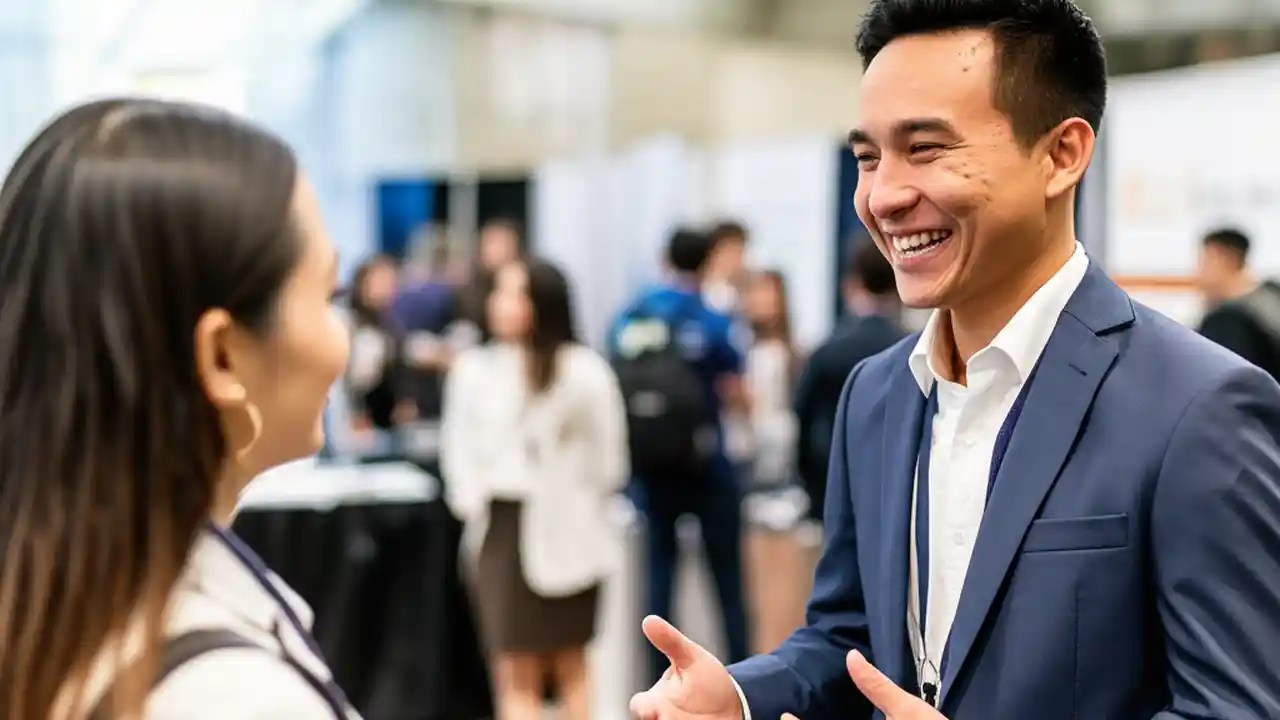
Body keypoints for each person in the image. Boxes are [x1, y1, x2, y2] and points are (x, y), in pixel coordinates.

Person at [630, 1, 1280, 719]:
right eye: (868, 158)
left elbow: (1236, 708)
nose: (883, 197)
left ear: (1061, 155)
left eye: (927, 149)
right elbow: (850, 637)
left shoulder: (1197, 407)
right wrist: (743, 695)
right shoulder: (876, 394)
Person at [0, 99, 356, 719]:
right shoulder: (234, 699)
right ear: (221, 356)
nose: (340, 340)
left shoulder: (51, 609)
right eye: (330, 295)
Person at [442, 258, 628, 720]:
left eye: (516, 294)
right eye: (499, 293)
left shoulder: (583, 371)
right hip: (501, 528)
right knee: (513, 669)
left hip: (572, 532)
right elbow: (457, 450)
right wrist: (471, 500)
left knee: (572, 664)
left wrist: (576, 500)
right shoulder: (475, 369)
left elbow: (610, 462)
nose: (502, 305)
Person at [610, 229, 752, 683]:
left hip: (651, 466)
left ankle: (659, 681)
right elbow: (736, 382)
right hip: (706, 462)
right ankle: (742, 676)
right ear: (706, 261)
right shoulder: (710, 317)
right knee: (726, 579)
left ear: (664, 258)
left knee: (658, 580)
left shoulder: (634, 313)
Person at [794, 242, 905, 522]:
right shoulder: (916, 352)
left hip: (836, 480)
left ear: (853, 282)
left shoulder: (828, 351)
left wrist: (809, 486)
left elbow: (803, 417)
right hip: (895, 486)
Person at [741, 270, 800, 491]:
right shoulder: (737, 348)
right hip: (744, 451)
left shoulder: (793, 354)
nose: (762, 301)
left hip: (782, 454)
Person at [1195, 228, 1280, 381]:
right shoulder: (1272, 298)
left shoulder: (1227, 321)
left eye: (1204, 263)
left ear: (1222, 259)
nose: (1199, 274)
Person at [345, 254, 412, 434]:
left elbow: (399, 369)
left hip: (383, 421)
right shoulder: (346, 323)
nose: (386, 288)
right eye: (380, 281)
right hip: (351, 417)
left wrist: (404, 401)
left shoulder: (392, 327)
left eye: (390, 283)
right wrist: (355, 414)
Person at [454, 217, 524, 345]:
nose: (495, 250)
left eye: (501, 243)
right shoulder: (467, 292)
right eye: (490, 243)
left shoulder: (526, 281)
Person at [703, 221, 751, 316]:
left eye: (740, 252)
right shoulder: (695, 291)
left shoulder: (744, 297)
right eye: (730, 251)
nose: (737, 259)